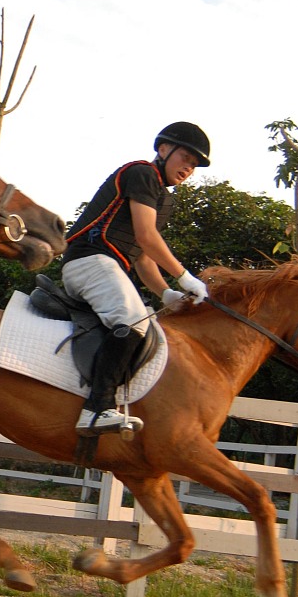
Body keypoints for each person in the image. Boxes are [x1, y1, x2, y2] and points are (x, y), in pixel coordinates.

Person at [61, 122, 212, 436]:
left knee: (143, 321)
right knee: (132, 320)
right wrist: (185, 277)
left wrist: (166, 293)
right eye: (186, 157)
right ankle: (96, 409)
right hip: (87, 259)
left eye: (194, 165)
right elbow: (147, 237)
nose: (189, 168)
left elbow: (142, 256)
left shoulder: (164, 199)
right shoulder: (142, 173)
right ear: (163, 149)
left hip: (110, 266)